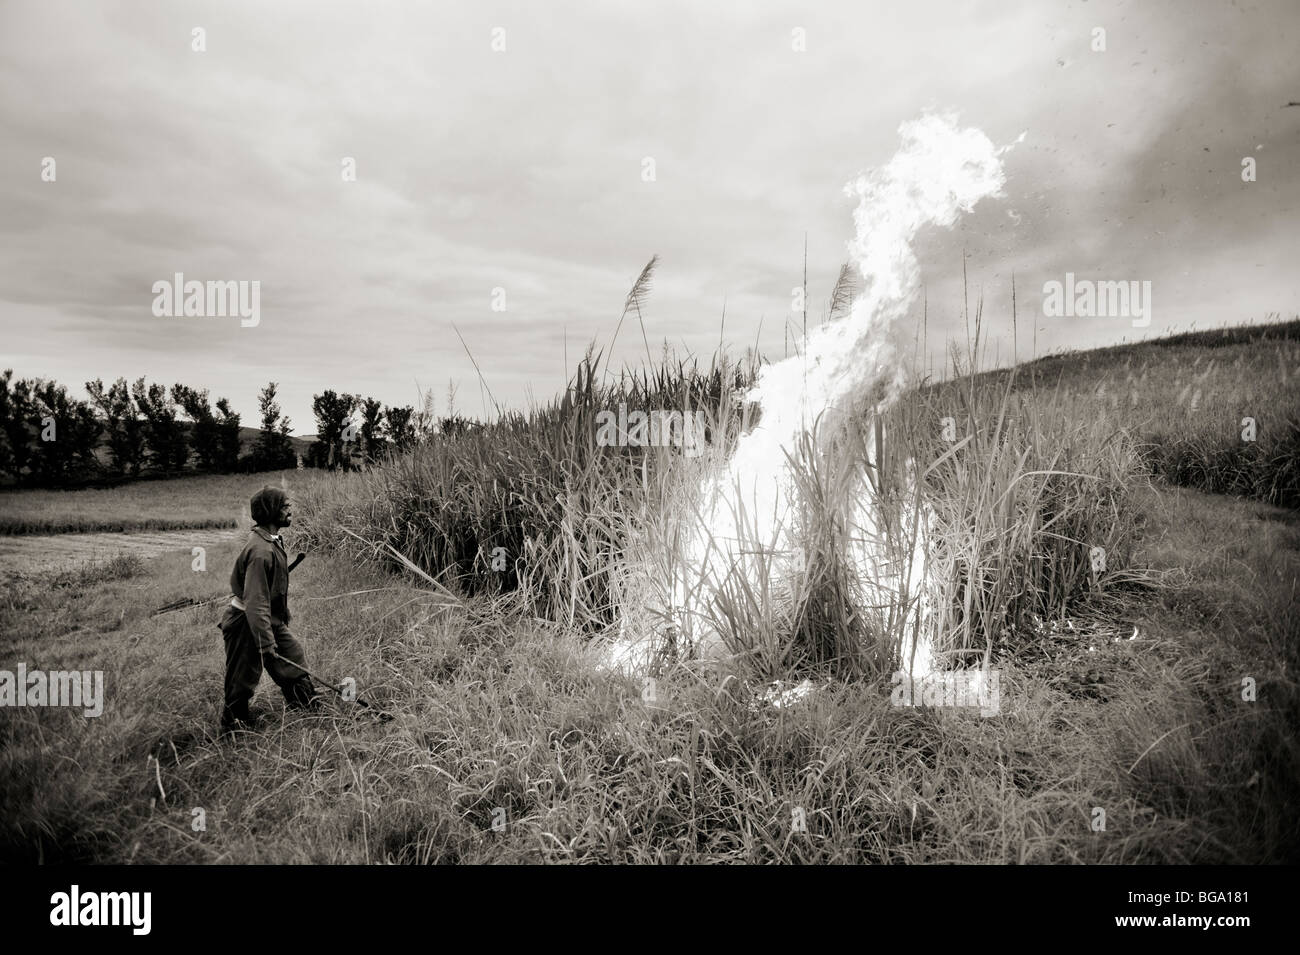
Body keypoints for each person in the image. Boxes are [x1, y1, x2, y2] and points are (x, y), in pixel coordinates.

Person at [218, 485, 320, 733]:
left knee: (292, 655)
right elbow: (255, 602)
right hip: (246, 621)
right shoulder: (261, 551)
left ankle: (307, 707)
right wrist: (265, 642)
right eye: (285, 507)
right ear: (270, 511)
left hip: (265, 619)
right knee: (242, 677)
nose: (290, 511)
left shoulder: (269, 541)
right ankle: (234, 726)